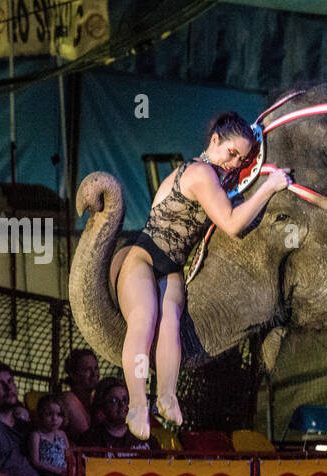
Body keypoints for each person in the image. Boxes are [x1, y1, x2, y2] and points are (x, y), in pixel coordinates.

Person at [111, 111, 293, 439]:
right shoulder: (199, 173)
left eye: (240, 158)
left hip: (173, 268)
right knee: (145, 318)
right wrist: (270, 187)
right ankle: (137, 403)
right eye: (231, 153)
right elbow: (233, 224)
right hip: (145, 258)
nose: (234, 163)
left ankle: (166, 396)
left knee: (170, 324)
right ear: (214, 141)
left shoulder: (218, 180)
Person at [76, 378, 161, 451]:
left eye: (125, 399)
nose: (122, 404)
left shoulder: (145, 438)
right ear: (103, 406)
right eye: (114, 400)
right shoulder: (91, 440)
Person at [28, 394, 69, 476]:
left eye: (59, 414)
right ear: (41, 415)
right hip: (46, 472)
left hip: (63, 471)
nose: (55, 419)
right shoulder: (37, 435)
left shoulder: (62, 434)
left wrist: (70, 469)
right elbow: (35, 461)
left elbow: (69, 455)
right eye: (49, 414)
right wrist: (55, 470)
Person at [60, 347, 99, 442]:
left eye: (96, 368)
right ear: (73, 374)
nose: (94, 374)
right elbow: (87, 438)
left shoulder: (95, 400)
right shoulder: (68, 399)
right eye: (87, 370)